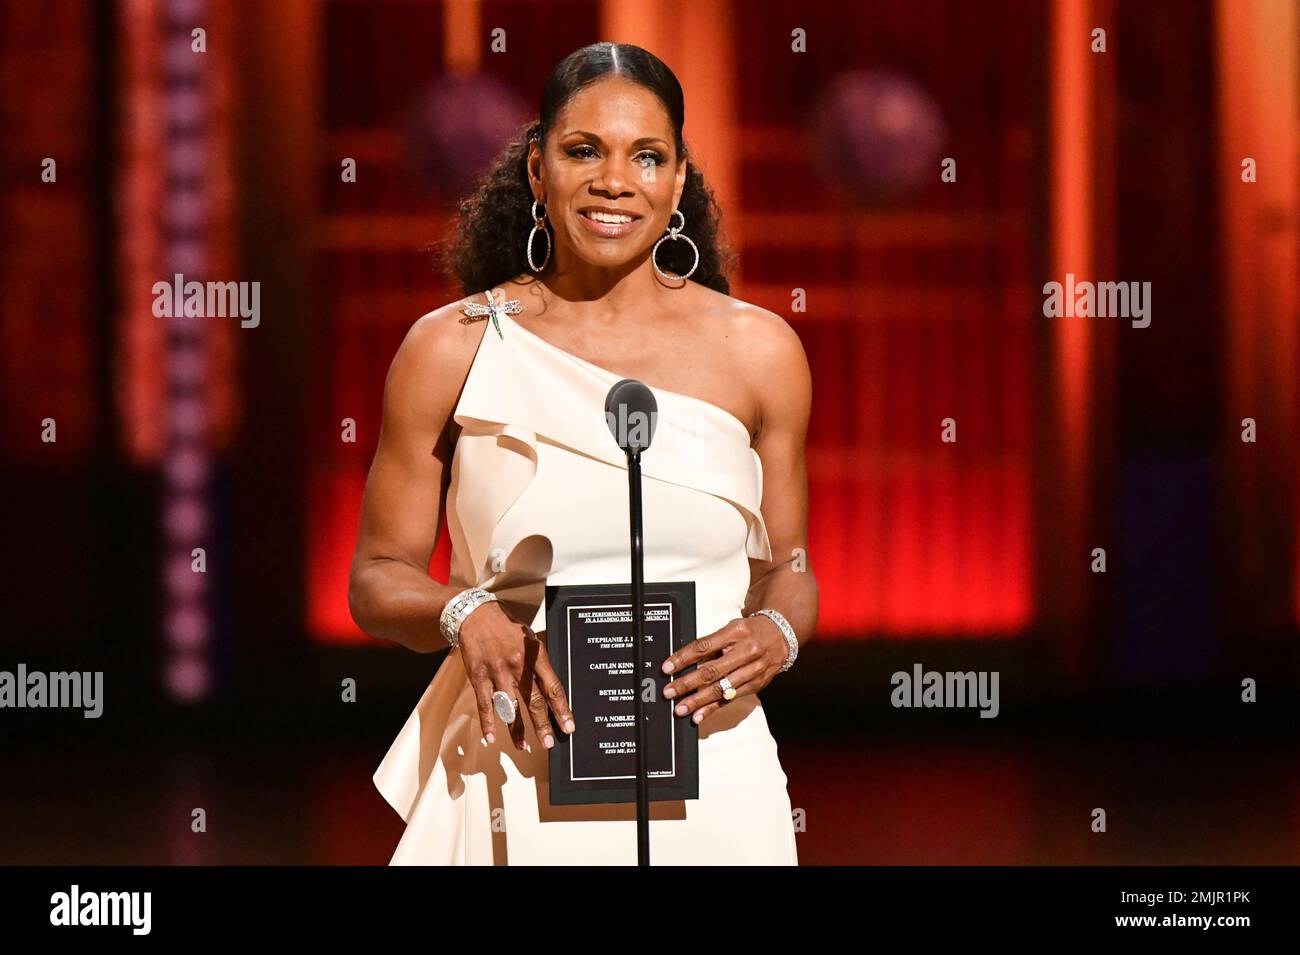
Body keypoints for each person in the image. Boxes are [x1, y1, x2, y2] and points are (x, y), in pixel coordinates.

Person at [349, 41, 818, 865]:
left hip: (713, 776)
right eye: (582, 151)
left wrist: (775, 629)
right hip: (513, 765)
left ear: (677, 181)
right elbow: (376, 576)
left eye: (646, 155)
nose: (614, 180)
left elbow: (789, 565)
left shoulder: (761, 351)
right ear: (537, 170)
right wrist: (465, 612)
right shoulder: (449, 349)